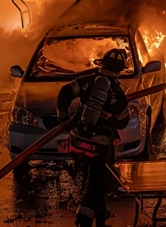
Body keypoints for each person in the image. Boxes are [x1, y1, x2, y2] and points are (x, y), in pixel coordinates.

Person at [57, 48, 130, 227]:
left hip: (79, 142)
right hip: (101, 147)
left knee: (98, 182)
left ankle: (102, 217)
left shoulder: (87, 81)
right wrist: (111, 117)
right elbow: (123, 122)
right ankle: (84, 221)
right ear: (120, 70)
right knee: (96, 186)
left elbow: (64, 93)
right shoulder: (118, 95)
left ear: (102, 64)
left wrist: (64, 119)